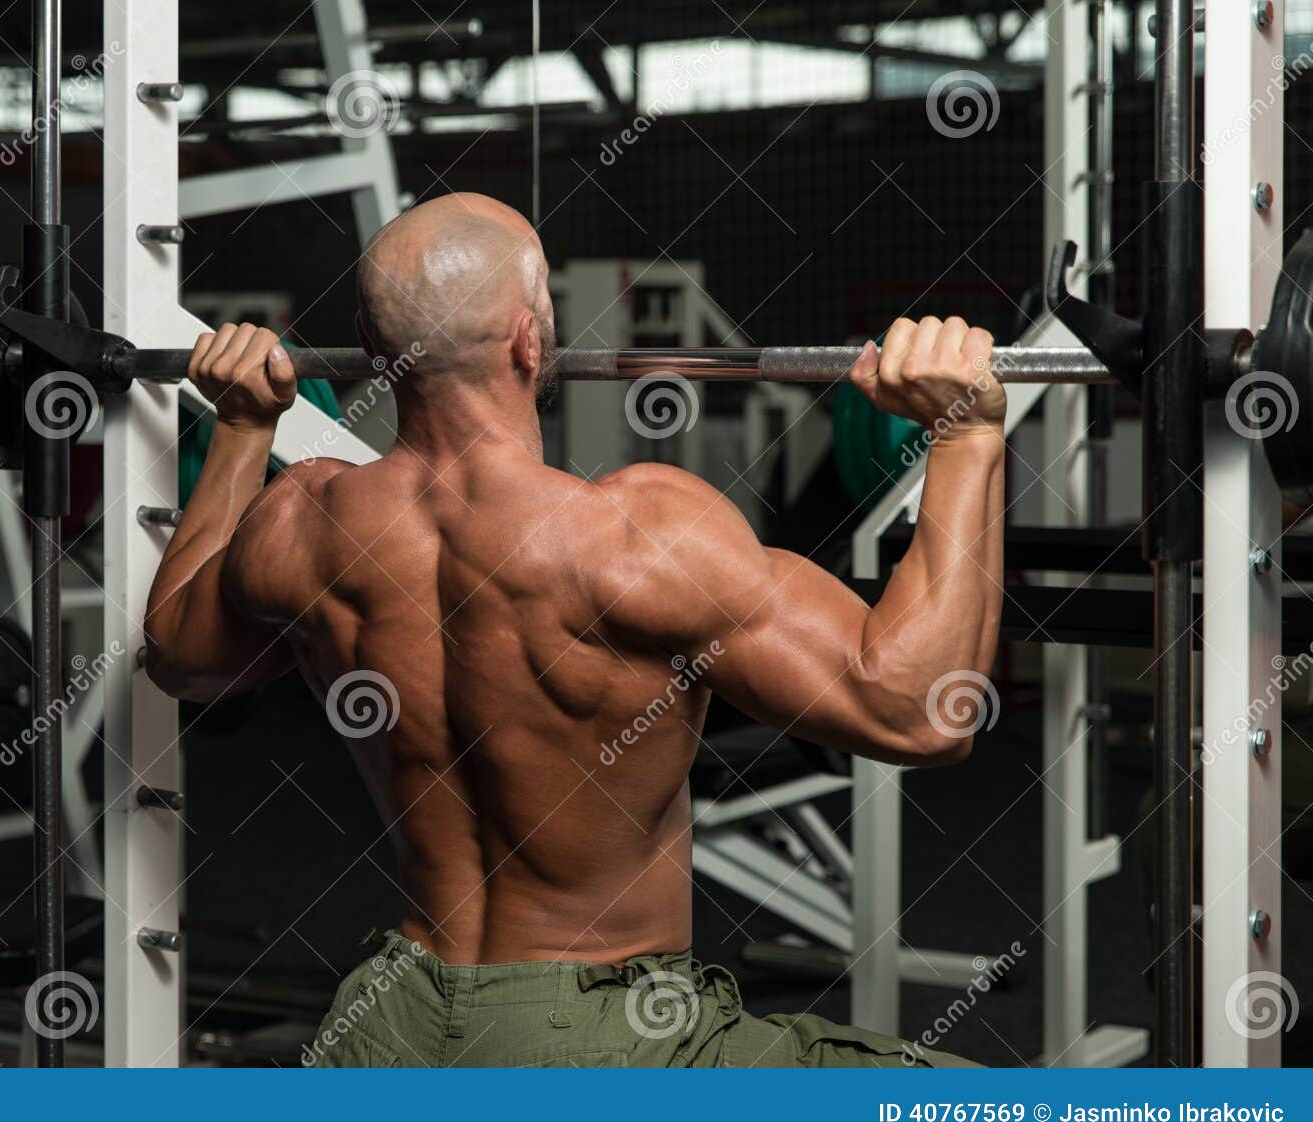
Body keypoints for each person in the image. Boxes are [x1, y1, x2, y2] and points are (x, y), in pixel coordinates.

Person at [143, 192, 1005, 1067]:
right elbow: (920, 713)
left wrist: (242, 427)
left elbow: (177, 653)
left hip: (387, 1025)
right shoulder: (637, 537)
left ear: (370, 347)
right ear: (529, 340)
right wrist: (967, 436)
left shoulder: (303, 521)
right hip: (602, 1041)